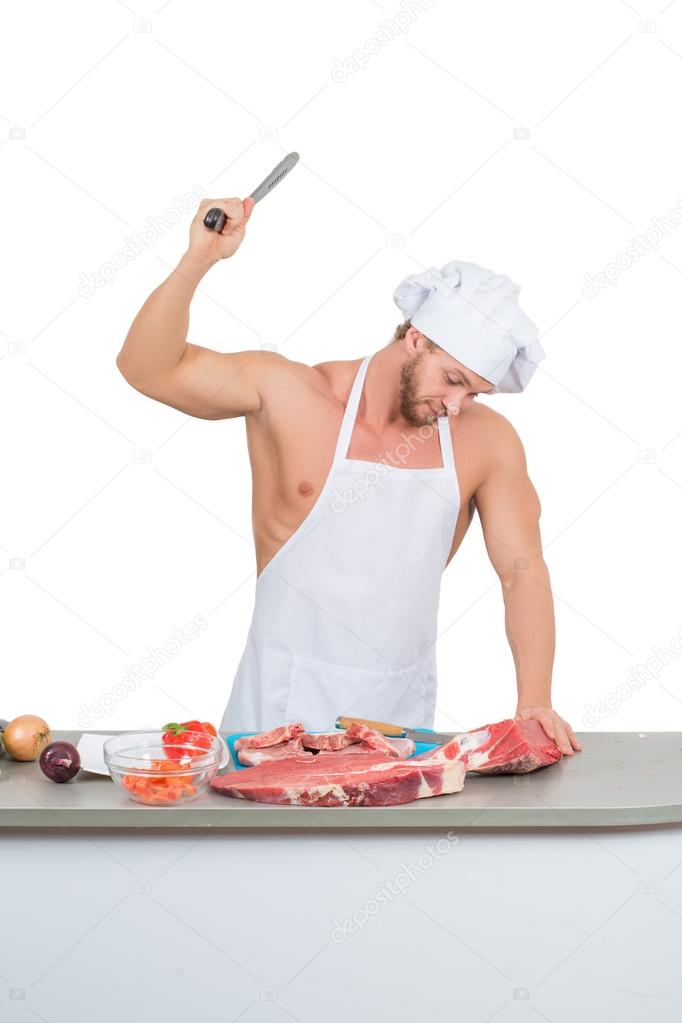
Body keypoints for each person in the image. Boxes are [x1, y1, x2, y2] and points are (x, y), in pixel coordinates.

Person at [116, 195, 582, 757]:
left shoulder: (488, 441)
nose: (457, 404)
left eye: (474, 391)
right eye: (452, 379)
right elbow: (146, 368)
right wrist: (199, 259)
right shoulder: (289, 393)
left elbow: (521, 571)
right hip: (271, 716)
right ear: (416, 338)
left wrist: (535, 698)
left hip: (398, 728)